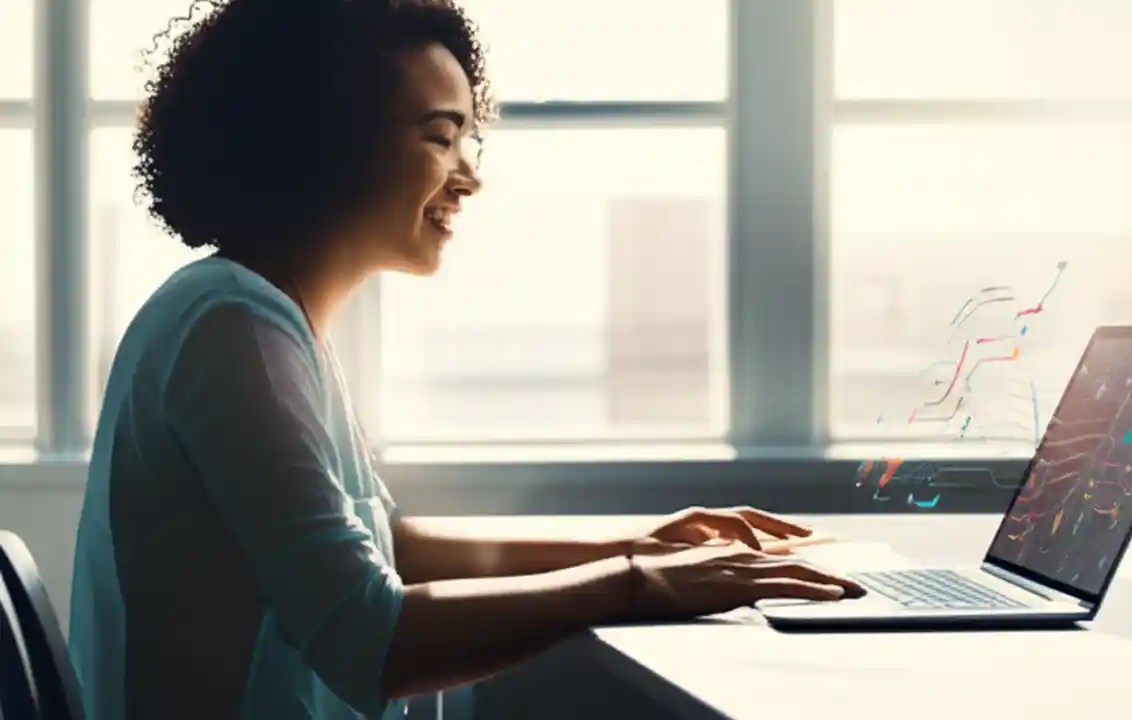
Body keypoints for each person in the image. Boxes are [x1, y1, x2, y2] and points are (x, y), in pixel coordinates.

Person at [67, 1, 864, 718]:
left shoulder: (263, 318)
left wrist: (639, 546)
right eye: (440, 137)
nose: (470, 176)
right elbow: (370, 637)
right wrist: (635, 586)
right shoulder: (232, 328)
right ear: (322, 136)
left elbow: (390, 545)